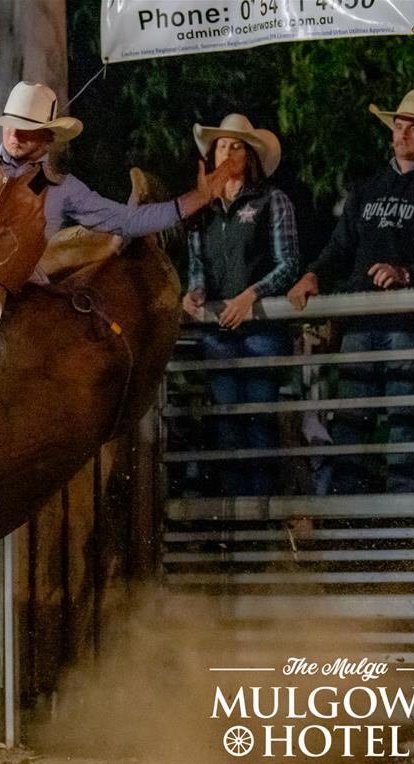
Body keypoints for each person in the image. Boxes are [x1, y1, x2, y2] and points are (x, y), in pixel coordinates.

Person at [0, 80, 232, 539]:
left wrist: (197, 199)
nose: (17, 136)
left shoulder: (61, 189)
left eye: (29, 130)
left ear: (47, 139)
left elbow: (126, 220)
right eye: (13, 126)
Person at [287, 89, 414, 494]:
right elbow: (341, 246)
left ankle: (401, 515)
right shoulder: (367, 188)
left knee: (403, 418)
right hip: (362, 320)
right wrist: (314, 273)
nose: (401, 135)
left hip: (408, 321)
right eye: (398, 127)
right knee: (354, 418)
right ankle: (348, 509)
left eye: (412, 129)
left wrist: (406, 274)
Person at [182, 114, 301, 496]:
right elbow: (198, 265)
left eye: (236, 146)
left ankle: (262, 513)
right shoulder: (202, 210)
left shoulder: (272, 201)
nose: (228, 152)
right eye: (222, 145)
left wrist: (251, 294)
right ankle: (240, 520)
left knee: (259, 420)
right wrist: (195, 292)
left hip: (261, 328)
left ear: (250, 156)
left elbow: (288, 263)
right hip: (219, 329)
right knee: (228, 426)